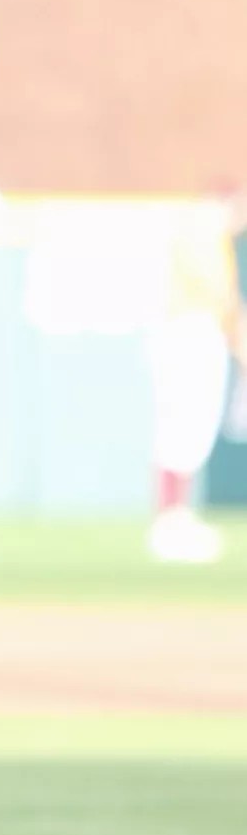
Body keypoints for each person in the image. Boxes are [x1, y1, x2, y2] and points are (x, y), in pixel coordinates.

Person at [145, 181, 247, 563]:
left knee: (186, 430)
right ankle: (169, 522)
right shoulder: (203, 228)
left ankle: (173, 517)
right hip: (191, 333)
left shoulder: (198, 228)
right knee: (184, 428)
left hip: (186, 333)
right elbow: (221, 299)